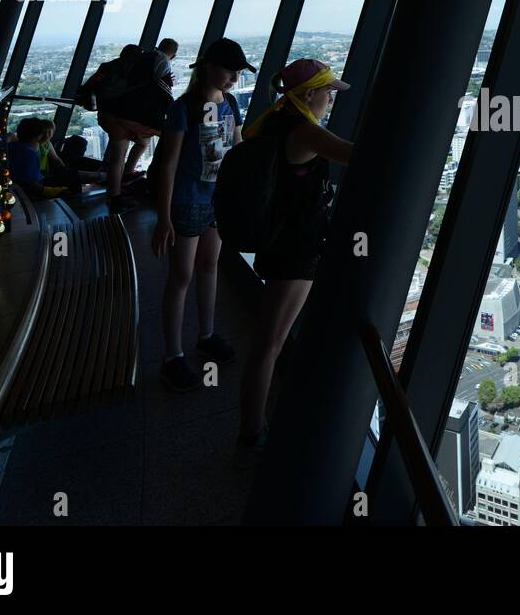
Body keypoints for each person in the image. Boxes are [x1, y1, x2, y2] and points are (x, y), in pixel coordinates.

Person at [236, 58, 353, 454]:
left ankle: (256, 425)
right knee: (269, 344)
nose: (329, 100)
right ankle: (251, 434)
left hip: (280, 243)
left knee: (269, 341)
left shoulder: (274, 122)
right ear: (308, 95)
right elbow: (357, 155)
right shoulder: (304, 133)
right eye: (327, 93)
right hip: (295, 251)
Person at [151, 38, 253, 393]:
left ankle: (206, 334)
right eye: (229, 70)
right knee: (181, 276)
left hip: (216, 199)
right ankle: (171, 356)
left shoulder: (232, 105)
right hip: (187, 201)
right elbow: (168, 165)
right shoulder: (184, 108)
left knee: (210, 267)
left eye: (237, 73)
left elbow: (237, 151)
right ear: (208, 67)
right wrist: (163, 218)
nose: (233, 78)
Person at [89, 44, 159, 214]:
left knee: (119, 156)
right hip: (124, 118)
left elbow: (91, 86)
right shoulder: (136, 71)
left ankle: (118, 188)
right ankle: (115, 196)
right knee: (122, 155)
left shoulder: (106, 67)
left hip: (108, 115)